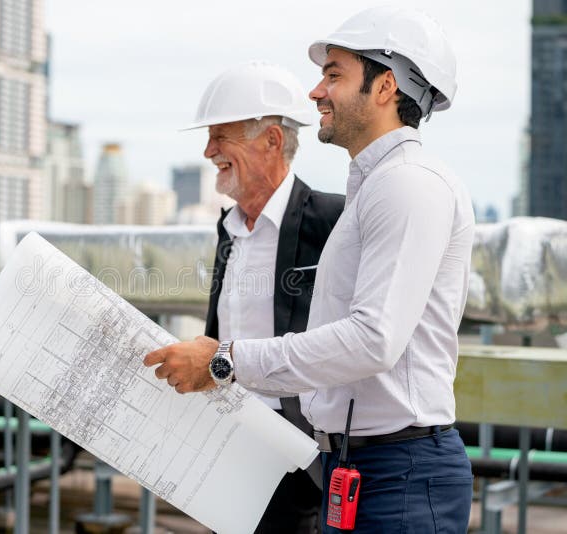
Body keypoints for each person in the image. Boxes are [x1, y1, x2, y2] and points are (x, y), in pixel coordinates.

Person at [145, 6, 475, 532]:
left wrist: (224, 361)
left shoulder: (409, 185)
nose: (316, 92)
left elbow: (373, 340)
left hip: (400, 473)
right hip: (359, 466)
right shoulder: (375, 188)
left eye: (334, 74)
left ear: (386, 86)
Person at [185, 61, 344, 533]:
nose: (208, 150)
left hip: (300, 455)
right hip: (230, 442)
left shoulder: (332, 221)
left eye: (221, 136)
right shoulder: (229, 230)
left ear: (272, 141)